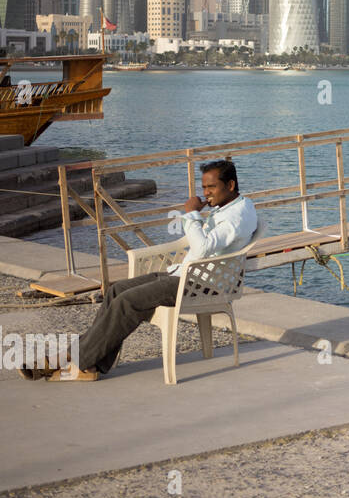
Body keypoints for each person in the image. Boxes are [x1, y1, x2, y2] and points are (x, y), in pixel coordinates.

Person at [27, 159, 258, 381]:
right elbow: (203, 247)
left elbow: (203, 247)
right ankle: (91, 363)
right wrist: (195, 218)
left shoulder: (236, 217)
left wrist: (191, 214)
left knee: (126, 302)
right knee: (116, 291)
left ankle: (73, 358)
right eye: (204, 186)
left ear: (230, 185)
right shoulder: (232, 205)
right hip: (186, 274)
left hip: (202, 284)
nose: (206, 192)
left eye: (212, 187)